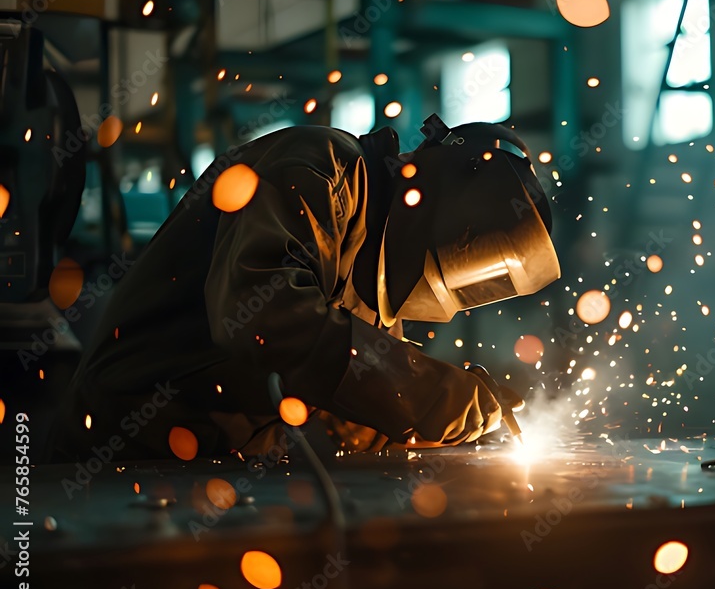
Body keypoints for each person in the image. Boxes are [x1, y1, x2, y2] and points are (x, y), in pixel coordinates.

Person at [49, 115, 560, 461]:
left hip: (206, 464)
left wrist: (441, 419)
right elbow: (262, 315)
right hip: (116, 446)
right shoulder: (322, 165)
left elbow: (355, 398)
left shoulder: (372, 282)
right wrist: (437, 396)